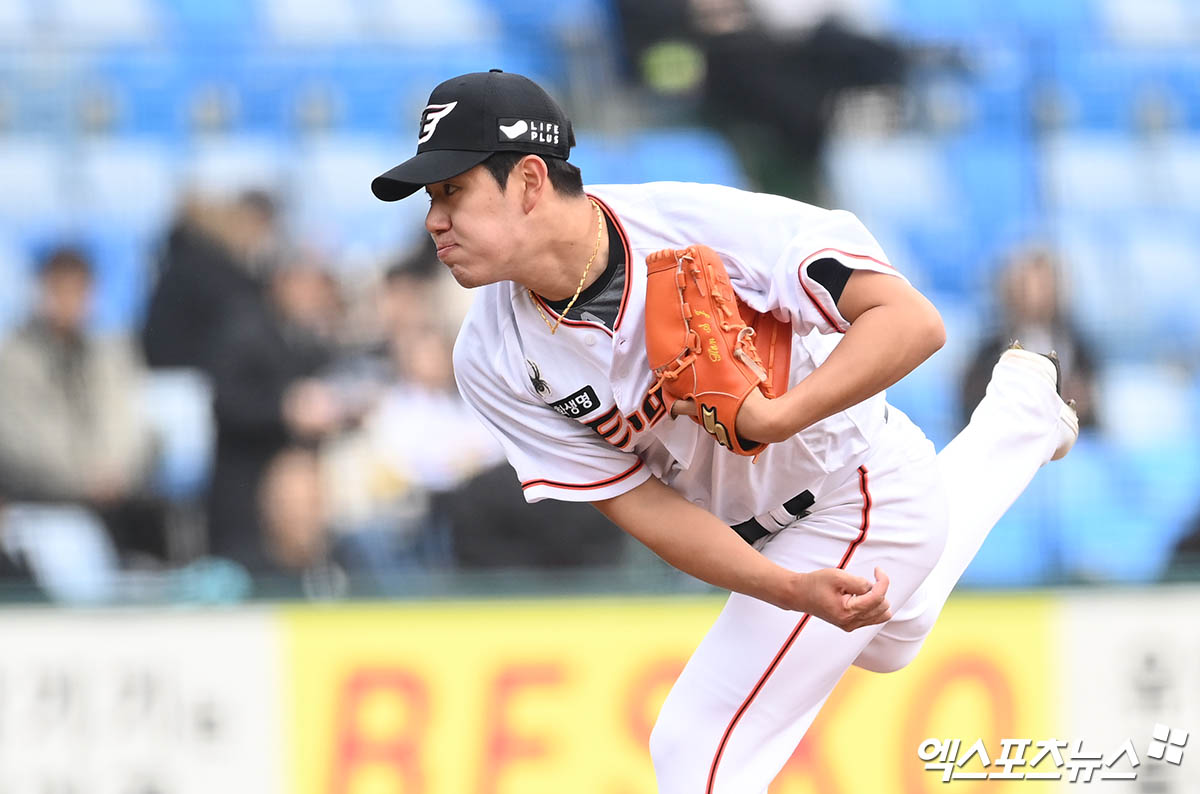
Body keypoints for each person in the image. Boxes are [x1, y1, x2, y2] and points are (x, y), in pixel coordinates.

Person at [370, 70, 1079, 792]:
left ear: (527, 181)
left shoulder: (701, 227)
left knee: (698, 746)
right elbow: (645, 508)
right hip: (771, 533)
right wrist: (787, 587)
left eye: (451, 190)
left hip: (857, 487)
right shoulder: (489, 355)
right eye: (432, 197)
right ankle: (1020, 414)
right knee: (894, 637)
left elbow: (912, 322)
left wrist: (775, 415)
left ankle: (1014, 421)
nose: (433, 219)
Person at [0, 246, 159, 602]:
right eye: (60, 290)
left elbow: (131, 425)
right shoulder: (12, 359)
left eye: (79, 290)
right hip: (44, 507)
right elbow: (21, 442)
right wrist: (85, 478)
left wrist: (116, 470)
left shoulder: (111, 352)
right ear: (41, 291)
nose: (69, 301)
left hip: (118, 504)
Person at [961, 243, 1099, 428]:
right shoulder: (990, 350)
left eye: (1043, 285)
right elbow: (972, 406)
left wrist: (1080, 402)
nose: (1036, 295)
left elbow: (1092, 410)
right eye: (1028, 286)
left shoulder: (1077, 347)